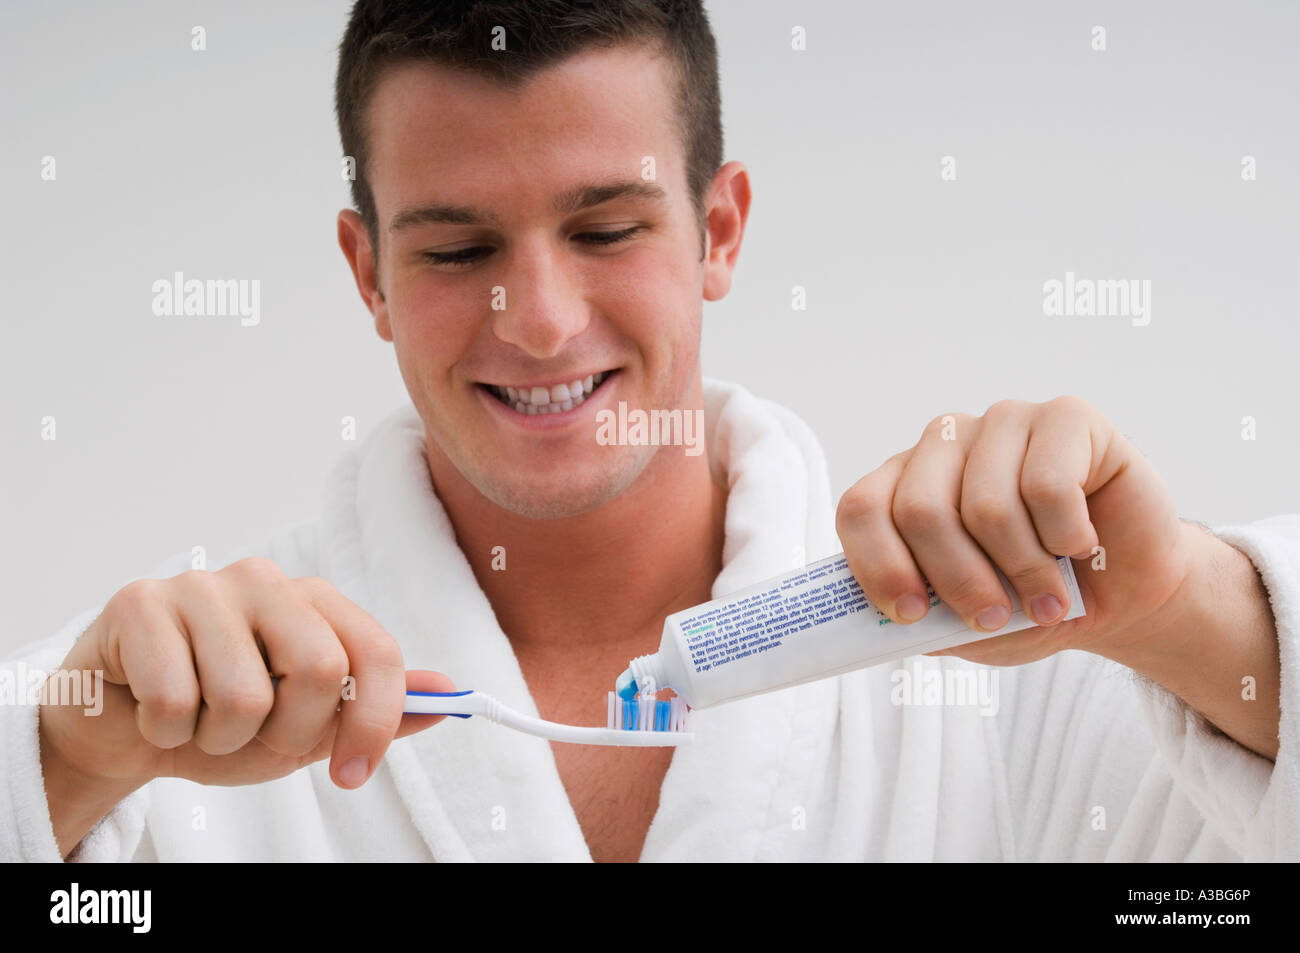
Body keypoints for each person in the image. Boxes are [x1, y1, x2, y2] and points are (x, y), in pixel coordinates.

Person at [3, 0, 1295, 863]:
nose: (546, 321)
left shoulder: (1015, 668)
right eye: (458, 248)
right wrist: (60, 759)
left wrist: (1183, 603)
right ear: (368, 271)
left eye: (608, 229)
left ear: (719, 229)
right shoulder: (167, 725)